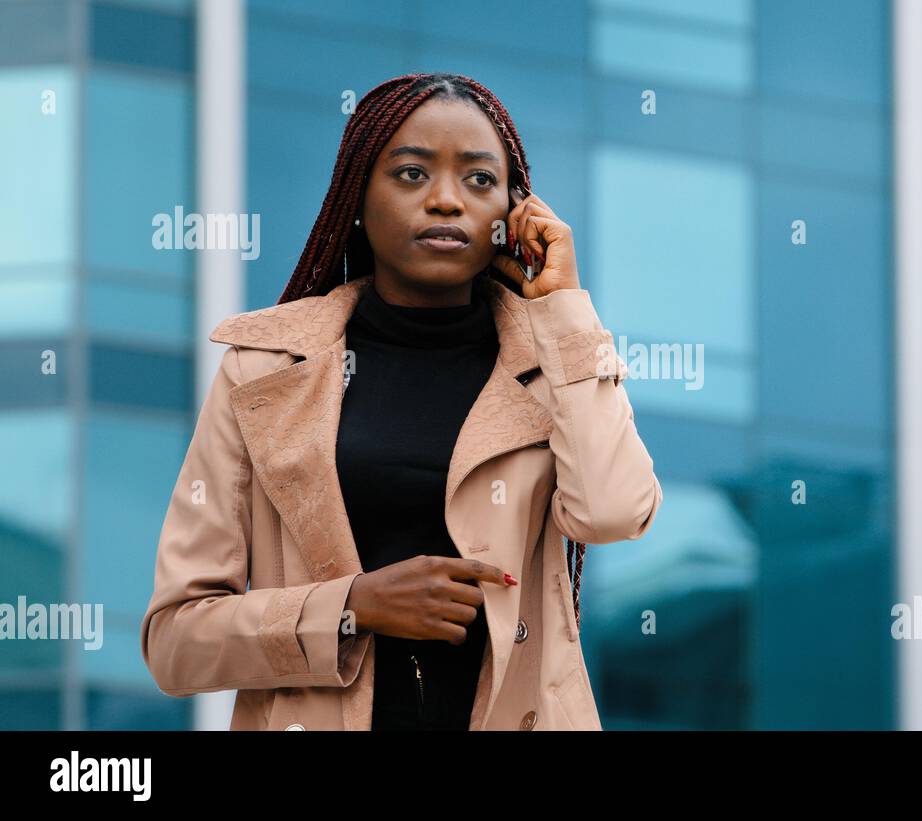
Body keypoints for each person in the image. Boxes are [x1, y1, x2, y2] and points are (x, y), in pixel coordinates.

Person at [140, 73, 663, 731]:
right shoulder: (264, 371)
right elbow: (175, 640)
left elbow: (613, 511)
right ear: (358, 197)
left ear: (513, 212)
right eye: (412, 174)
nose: (446, 201)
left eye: (478, 180)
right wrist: (352, 606)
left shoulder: (553, 361)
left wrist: (565, 311)